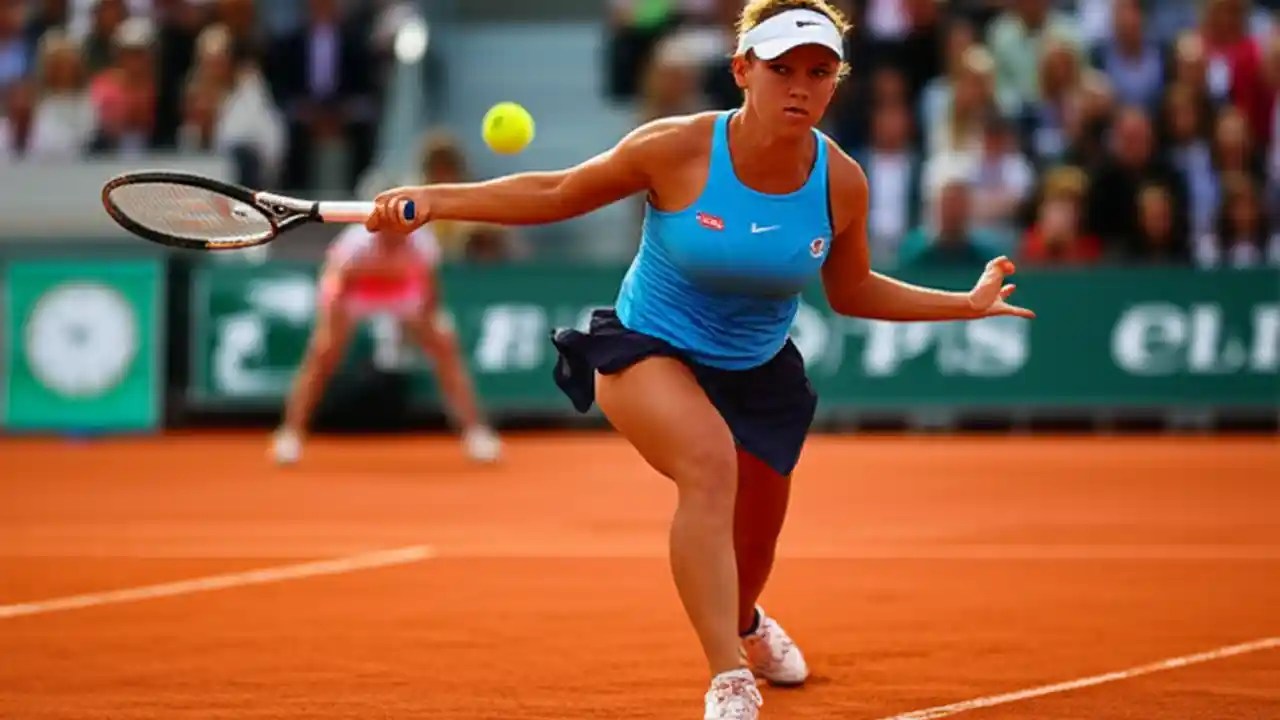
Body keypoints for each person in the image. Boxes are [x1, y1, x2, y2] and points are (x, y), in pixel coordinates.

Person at [364, 2, 1033, 717]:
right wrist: (435, 199)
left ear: (839, 80)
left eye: (819, 71)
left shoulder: (842, 183)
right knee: (709, 468)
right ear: (742, 70)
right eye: (781, 70)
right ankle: (728, 678)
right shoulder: (674, 147)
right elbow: (558, 193)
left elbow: (853, 290)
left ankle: (746, 622)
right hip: (647, 347)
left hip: (758, 369)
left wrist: (961, 304)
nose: (800, 86)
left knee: (757, 543)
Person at [271, 145, 503, 466]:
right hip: (357, 294)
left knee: (445, 345)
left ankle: (476, 434)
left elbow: (430, 292)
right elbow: (334, 286)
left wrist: (424, 325)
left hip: (403, 293)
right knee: (323, 352)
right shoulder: (355, 244)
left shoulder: (422, 241)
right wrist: (335, 323)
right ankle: (290, 434)